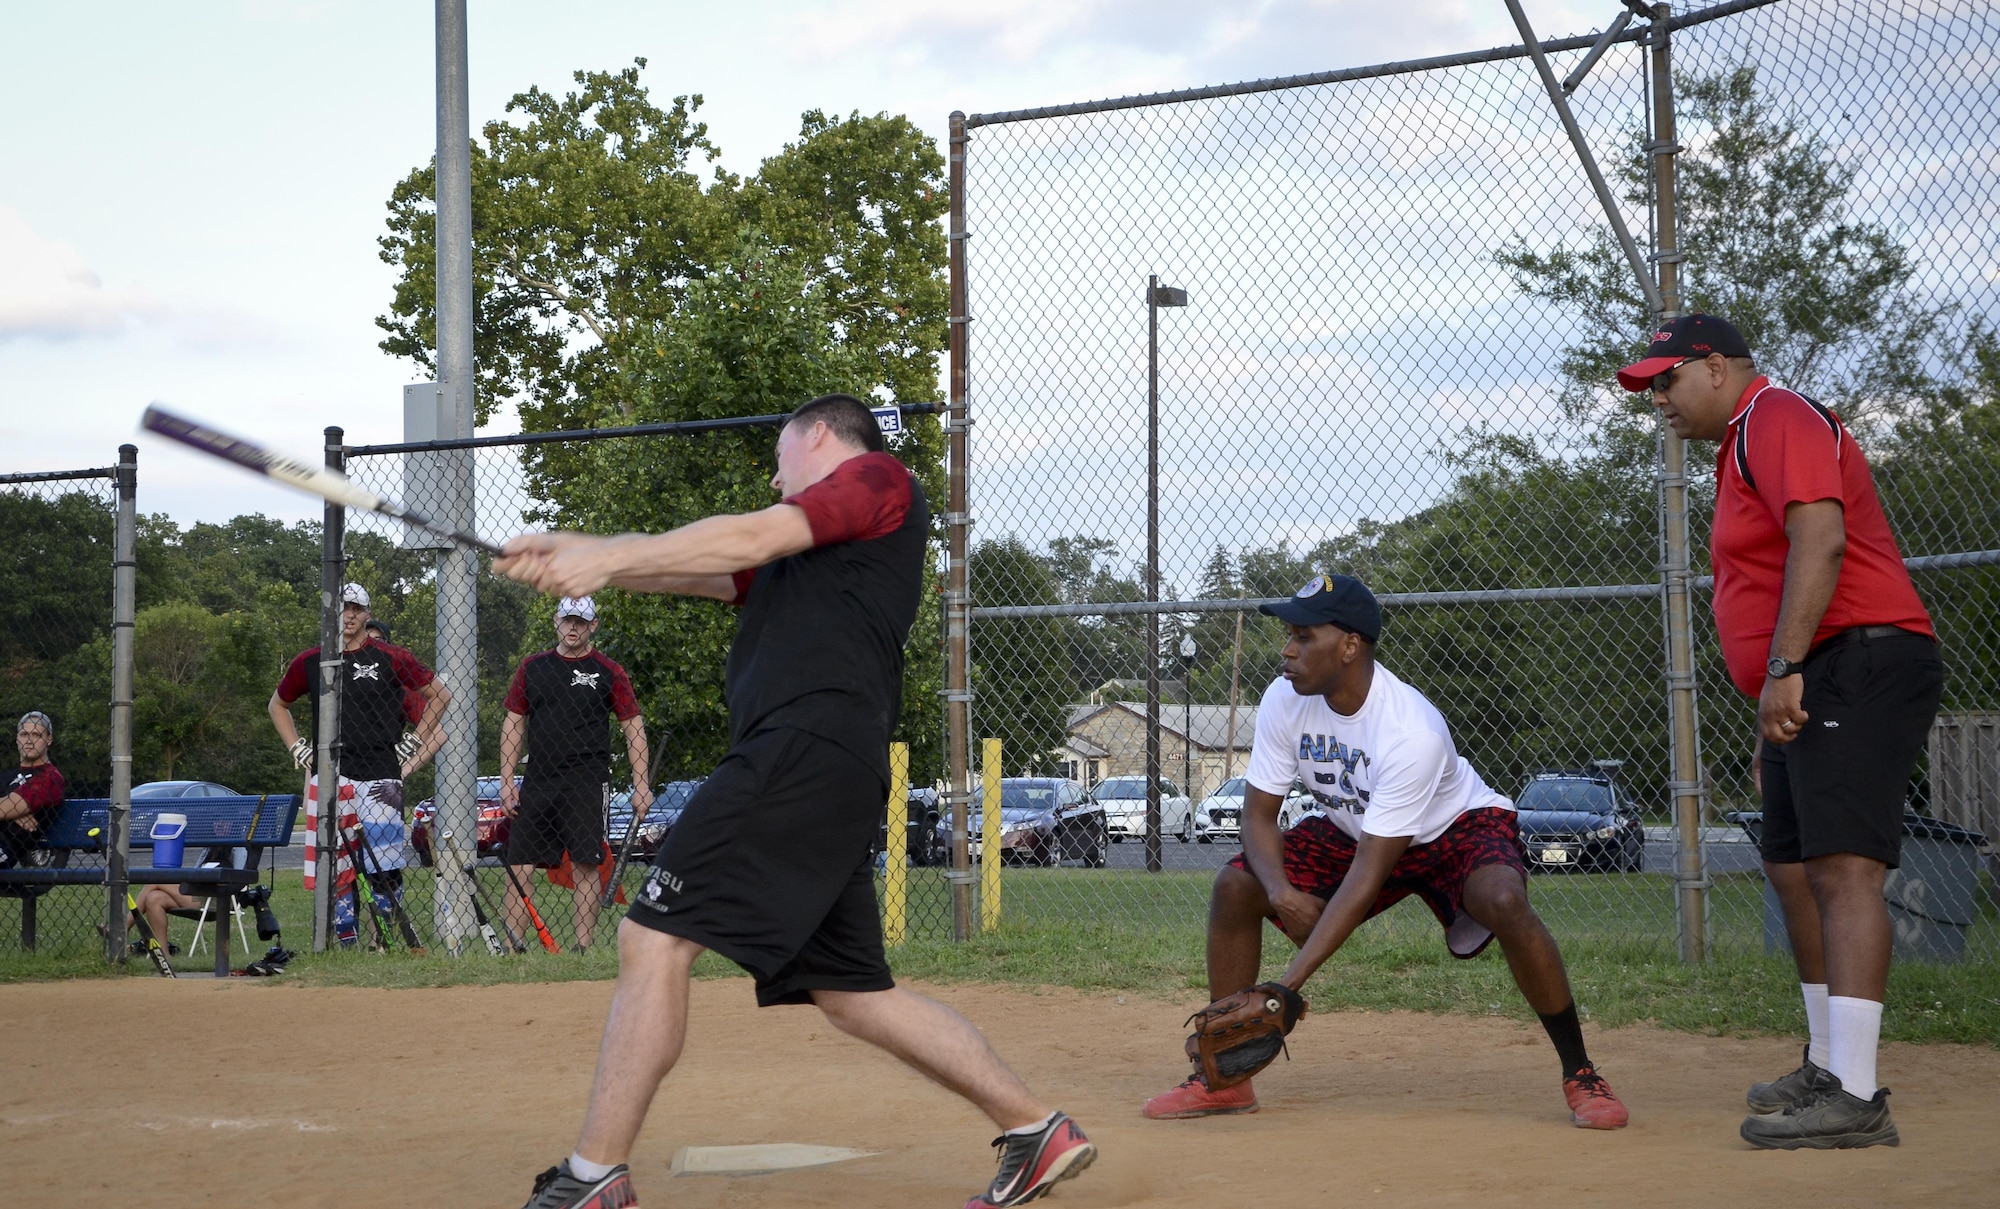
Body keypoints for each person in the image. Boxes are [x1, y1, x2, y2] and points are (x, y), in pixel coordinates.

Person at [494, 394, 1095, 1209]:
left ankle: (594, 1177)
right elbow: (708, 569)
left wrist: (602, 553)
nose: (775, 478)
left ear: (818, 435)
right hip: (831, 765)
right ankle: (1035, 1130)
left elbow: (751, 532)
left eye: (780, 458)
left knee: (653, 939)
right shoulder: (815, 554)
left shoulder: (877, 479)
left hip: (800, 749)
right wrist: (580, 554)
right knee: (853, 992)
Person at [1141, 574, 1630, 1131]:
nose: (1286, 649)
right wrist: (1279, 892)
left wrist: (1284, 989)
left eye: (1303, 636)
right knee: (1237, 885)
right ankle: (1225, 1080)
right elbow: (1258, 816)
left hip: (1454, 827)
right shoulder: (1285, 698)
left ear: (1349, 646)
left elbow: (1369, 876)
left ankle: (1581, 1071)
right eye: (1288, 635)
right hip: (1358, 827)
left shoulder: (1408, 730)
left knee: (1503, 899)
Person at [1625, 313, 1942, 1149]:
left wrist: (1784, 667)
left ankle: (1859, 1095)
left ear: (1719, 367)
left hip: (1856, 657)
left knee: (1842, 868)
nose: (1656, 398)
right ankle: (1829, 1062)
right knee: (1791, 866)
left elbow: (1822, 539)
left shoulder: (1776, 416)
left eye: (1667, 379)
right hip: (1818, 669)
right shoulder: (1741, 442)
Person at [268, 583, 448, 946]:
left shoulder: (391, 657)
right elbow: (277, 704)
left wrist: (414, 741)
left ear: (367, 614)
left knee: (384, 866)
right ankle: (345, 940)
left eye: (356, 608)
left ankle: (382, 941)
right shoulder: (311, 660)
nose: (348, 614)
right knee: (335, 866)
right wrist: (297, 748)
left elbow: (439, 695)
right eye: (342, 607)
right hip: (332, 778)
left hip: (382, 776)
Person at [498, 595, 652, 952]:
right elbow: (514, 722)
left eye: (581, 622)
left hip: (587, 781)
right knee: (519, 864)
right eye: (568, 620)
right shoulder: (532, 667)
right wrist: (507, 780)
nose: (573, 627)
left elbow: (633, 726)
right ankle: (513, 948)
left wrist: (641, 784)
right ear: (556, 621)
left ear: (593, 625)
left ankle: (580, 950)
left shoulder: (607, 670)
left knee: (586, 863)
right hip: (538, 780)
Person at [0, 711, 66, 870]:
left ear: (48, 740)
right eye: (24, 734)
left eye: (36, 735)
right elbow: (5, 809)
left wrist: (7, 810)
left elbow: (2, 810)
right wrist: (13, 812)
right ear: (17, 739)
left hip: (5, 847)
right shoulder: (7, 776)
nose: (29, 740)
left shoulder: (50, 778)